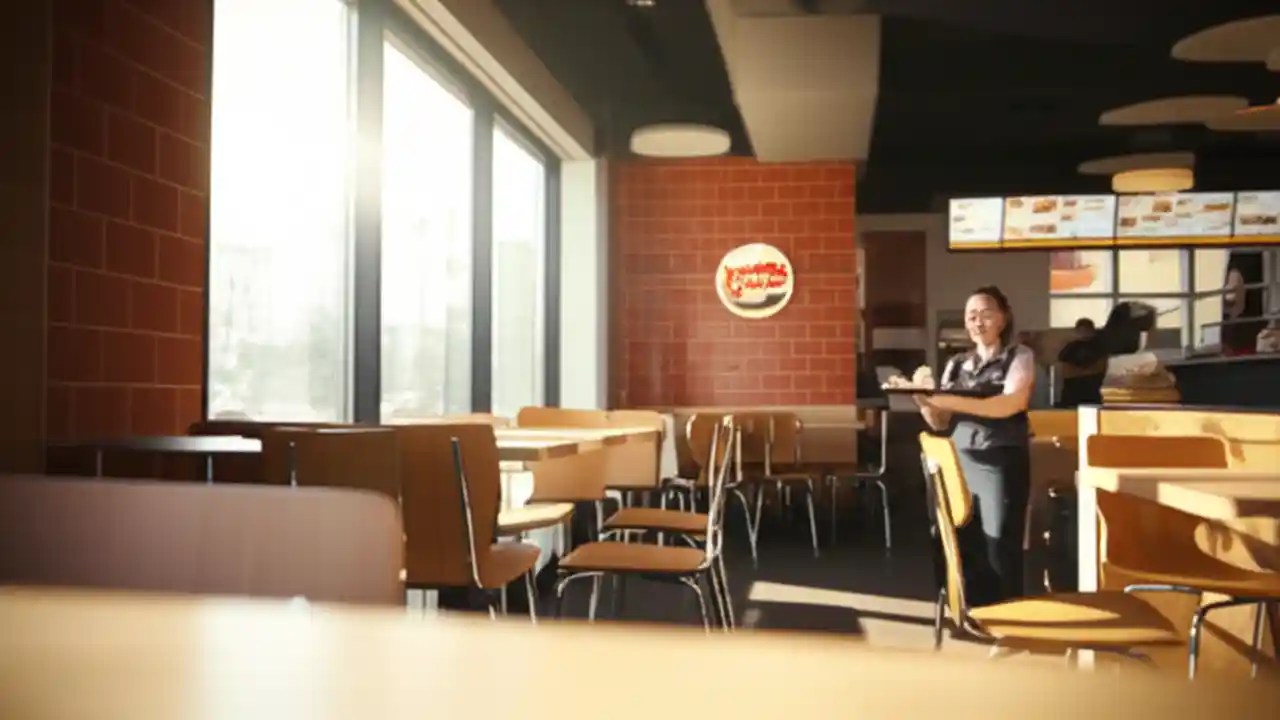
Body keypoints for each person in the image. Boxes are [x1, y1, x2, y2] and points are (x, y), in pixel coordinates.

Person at [916, 286, 1034, 605]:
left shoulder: (1019, 356)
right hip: (958, 462)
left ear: (1003, 318)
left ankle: (1008, 617)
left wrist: (950, 400)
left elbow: (1010, 404)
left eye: (986, 314)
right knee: (963, 541)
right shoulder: (956, 364)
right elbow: (939, 423)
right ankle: (970, 612)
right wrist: (922, 399)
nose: (977, 322)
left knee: (999, 542)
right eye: (971, 316)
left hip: (1000, 459)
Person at [1056, 318, 1107, 407]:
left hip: (1092, 390)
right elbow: (1066, 371)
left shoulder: (1100, 346)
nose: (1085, 333)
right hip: (1073, 391)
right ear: (1077, 331)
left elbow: (1101, 367)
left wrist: (1080, 372)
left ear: (1092, 331)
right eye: (1082, 330)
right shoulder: (1070, 347)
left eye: (1087, 330)